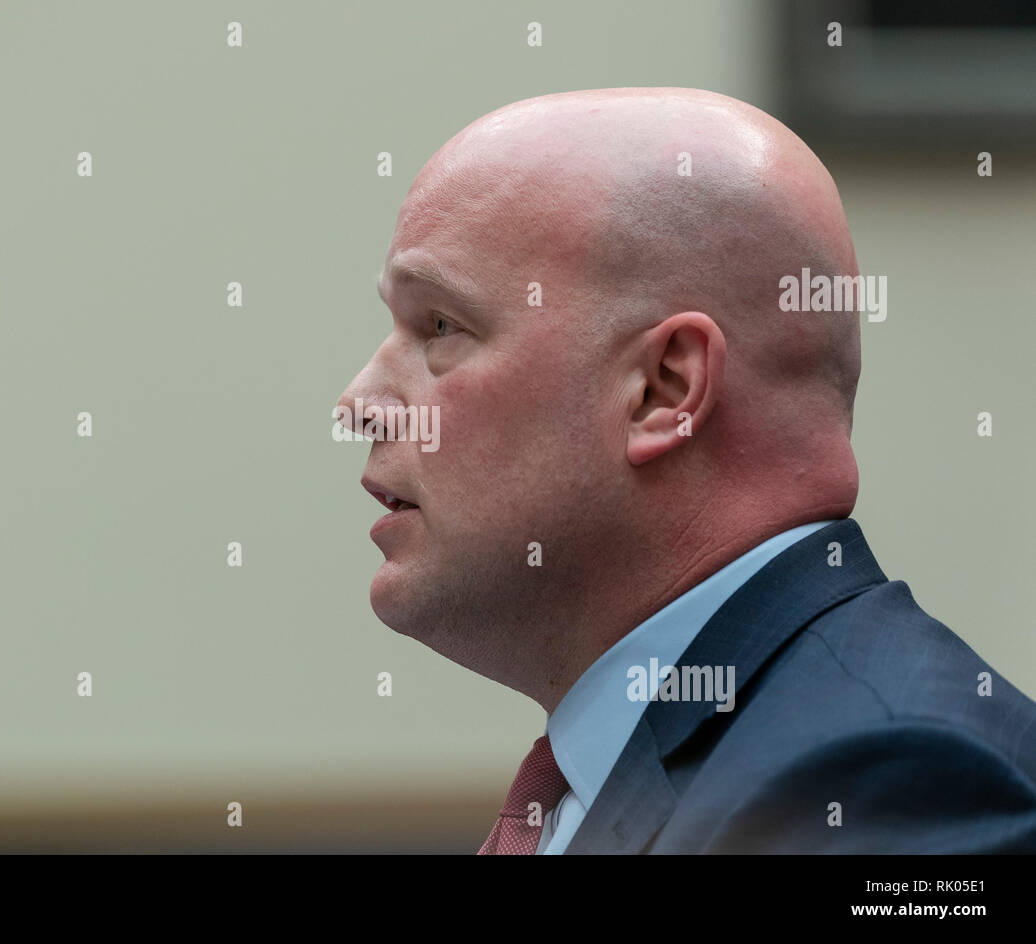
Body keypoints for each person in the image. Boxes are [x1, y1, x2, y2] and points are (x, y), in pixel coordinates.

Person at [335, 88, 1036, 853]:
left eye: (440, 325)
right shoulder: (644, 761)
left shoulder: (887, 786)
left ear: (665, 388)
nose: (359, 404)